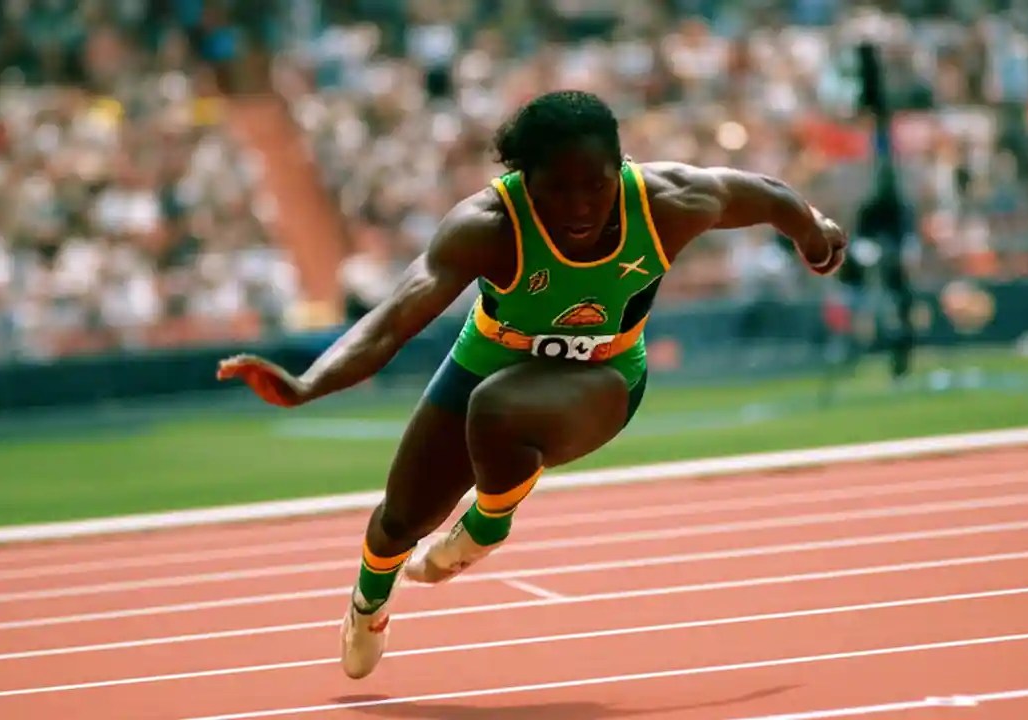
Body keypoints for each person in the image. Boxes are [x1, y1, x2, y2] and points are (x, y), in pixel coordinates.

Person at [217, 90, 848, 679]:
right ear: (524, 180)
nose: (579, 207)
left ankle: (487, 525)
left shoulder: (668, 202)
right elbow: (390, 323)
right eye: (557, 189)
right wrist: (307, 385)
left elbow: (769, 195)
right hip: (486, 357)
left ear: (620, 168)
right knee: (399, 520)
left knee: (498, 409)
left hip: (602, 377)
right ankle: (367, 605)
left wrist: (816, 236)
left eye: (595, 185)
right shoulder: (487, 224)